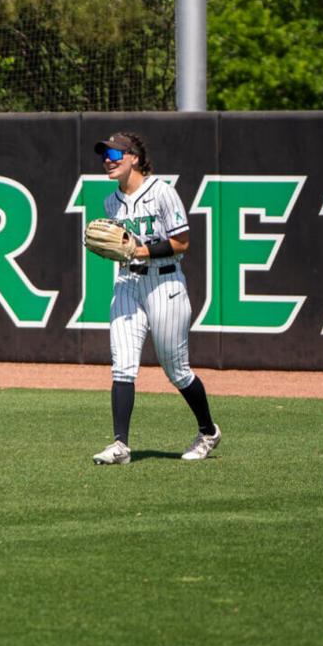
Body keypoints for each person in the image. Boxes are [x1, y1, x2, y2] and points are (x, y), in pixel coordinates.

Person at [90, 132, 222, 465]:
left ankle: (208, 431)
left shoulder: (162, 193)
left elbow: (181, 243)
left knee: (177, 370)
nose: (108, 159)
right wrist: (116, 252)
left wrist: (138, 249)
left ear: (134, 157)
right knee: (122, 366)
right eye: (104, 154)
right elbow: (123, 251)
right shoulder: (110, 203)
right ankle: (120, 445)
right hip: (128, 284)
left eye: (115, 154)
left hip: (165, 284)